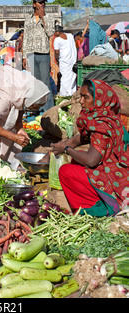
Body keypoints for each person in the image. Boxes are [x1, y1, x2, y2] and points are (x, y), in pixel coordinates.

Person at [51, 79, 129, 217]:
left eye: (85, 97)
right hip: (120, 171)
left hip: (115, 180)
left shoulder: (101, 127)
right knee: (77, 159)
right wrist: (59, 148)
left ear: (99, 100)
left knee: (66, 171)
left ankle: (98, 208)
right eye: (81, 96)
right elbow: (77, 140)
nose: (81, 101)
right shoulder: (109, 118)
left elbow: (92, 160)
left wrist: (67, 150)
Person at [22, 0, 55, 111]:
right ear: (34, 4)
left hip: (43, 54)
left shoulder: (49, 17)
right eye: (40, 2)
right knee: (34, 83)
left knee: (45, 83)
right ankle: (37, 109)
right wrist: (24, 57)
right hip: (31, 53)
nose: (42, 4)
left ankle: (49, 110)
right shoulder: (28, 19)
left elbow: (51, 33)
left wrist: (43, 18)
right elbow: (25, 38)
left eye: (43, 2)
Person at [53, 25, 77, 96]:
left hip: (64, 61)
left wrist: (57, 61)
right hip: (72, 60)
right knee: (72, 77)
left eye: (54, 32)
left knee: (64, 78)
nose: (54, 34)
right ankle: (72, 93)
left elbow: (57, 52)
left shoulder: (57, 40)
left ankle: (65, 95)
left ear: (57, 32)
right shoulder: (70, 36)